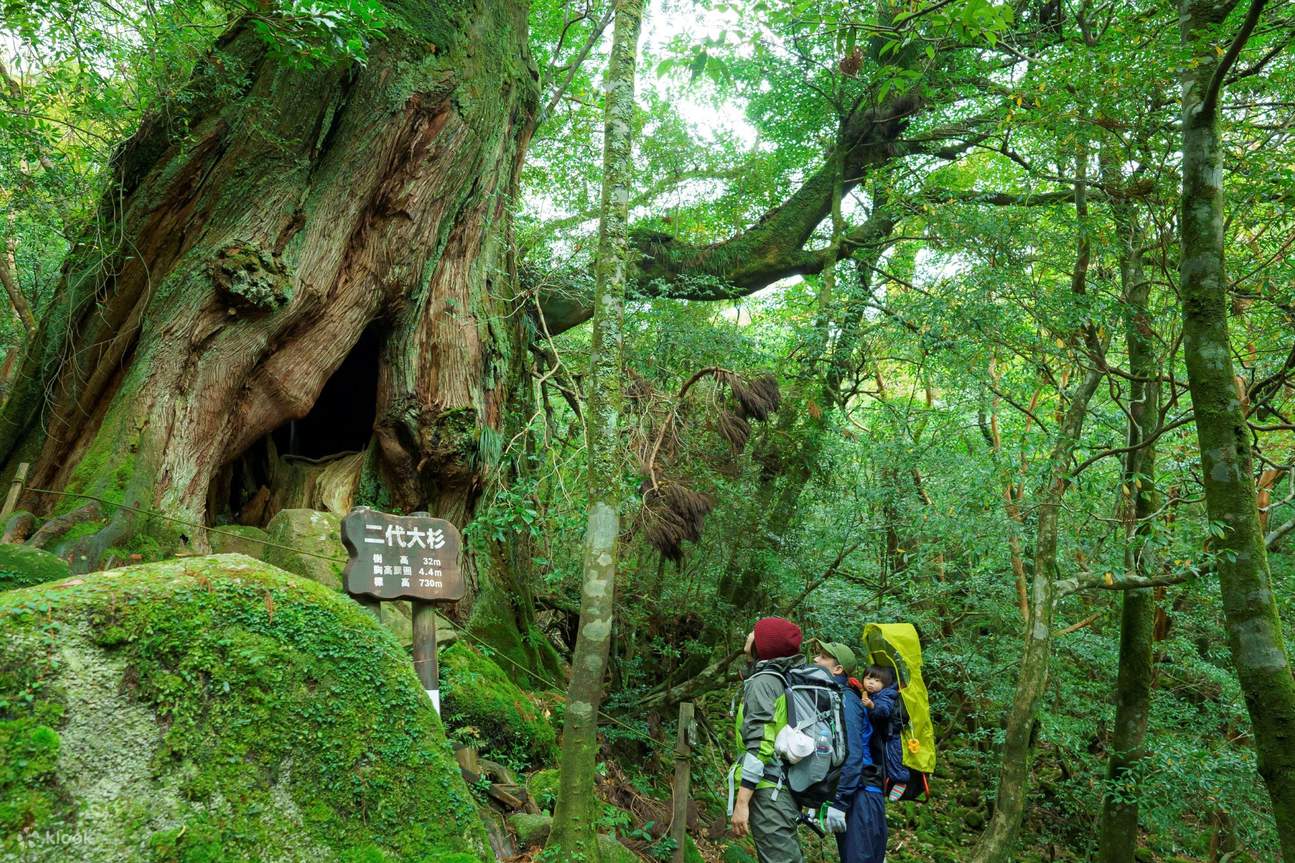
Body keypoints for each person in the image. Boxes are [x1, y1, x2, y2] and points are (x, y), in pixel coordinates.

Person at [731, 616, 806, 863]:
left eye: (754, 632)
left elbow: (761, 745)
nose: (749, 635)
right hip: (780, 789)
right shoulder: (777, 679)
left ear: (764, 645)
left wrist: (742, 802)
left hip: (769, 792)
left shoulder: (764, 683)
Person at [813, 642, 887, 863]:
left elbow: (853, 754)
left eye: (823, 657)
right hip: (857, 792)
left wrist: (840, 802)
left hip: (861, 793)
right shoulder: (836, 696)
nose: (816, 659)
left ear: (838, 670)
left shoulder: (847, 700)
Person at [861, 665, 910, 793]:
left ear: (885, 684)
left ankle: (901, 781)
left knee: (893, 758)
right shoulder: (871, 694)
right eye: (868, 678)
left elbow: (884, 711)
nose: (871, 683)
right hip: (879, 733)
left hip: (890, 735)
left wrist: (872, 706)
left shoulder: (886, 695)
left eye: (877, 681)